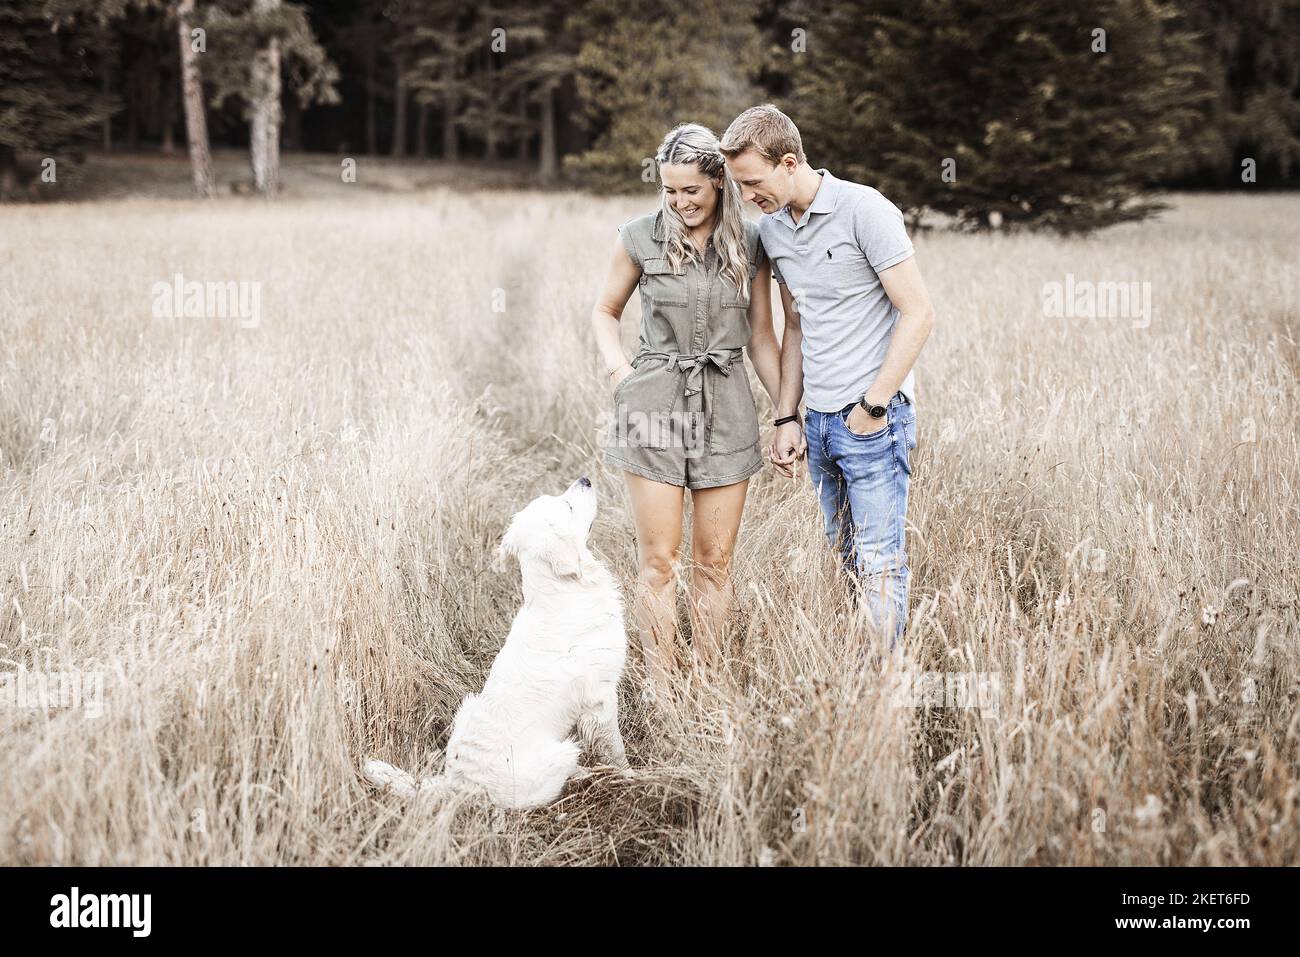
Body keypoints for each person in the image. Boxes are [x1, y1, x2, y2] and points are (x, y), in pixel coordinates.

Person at [721, 104, 936, 652]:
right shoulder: (773, 231)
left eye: (753, 183)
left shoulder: (866, 210)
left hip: (872, 420)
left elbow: (918, 313)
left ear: (789, 162)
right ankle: (855, 670)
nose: (747, 198)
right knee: (843, 558)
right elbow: (795, 325)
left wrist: (874, 405)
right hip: (817, 423)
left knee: (882, 560)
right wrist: (787, 415)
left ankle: (885, 690)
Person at [590, 123, 781, 695]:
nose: (680, 203)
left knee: (715, 559)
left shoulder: (751, 243)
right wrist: (622, 372)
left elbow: (762, 335)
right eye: (669, 191)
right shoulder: (638, 237)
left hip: (727, 405)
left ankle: (709, 683)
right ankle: (662, 690)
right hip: (653, 404)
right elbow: (604, 311)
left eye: (691, 191)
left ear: (720, 183)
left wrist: (788, 412)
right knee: (659, 560)